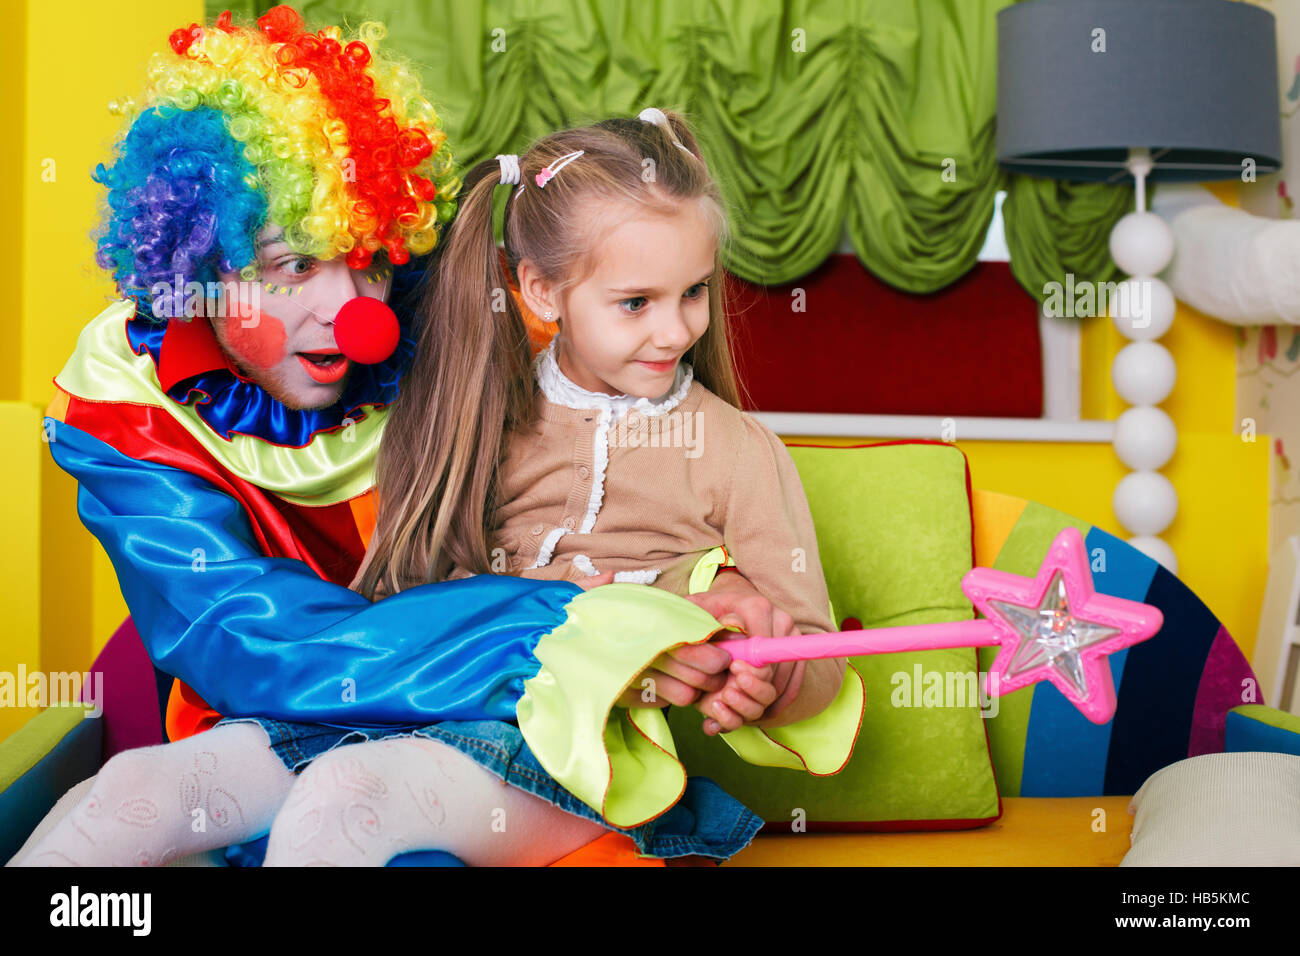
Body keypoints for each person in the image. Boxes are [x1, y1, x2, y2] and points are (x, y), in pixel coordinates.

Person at [11, 7, 811, 868]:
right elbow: (252, 639)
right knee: (126, 797)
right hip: (298, 714)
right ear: (203, 270)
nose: (355, 312)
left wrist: (718, 604)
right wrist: (578, 623)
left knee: (349, 815)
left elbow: (656, 500)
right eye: (295, 263)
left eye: (373, 257)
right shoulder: (125, 404)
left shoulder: (473, 346)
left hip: (511, 747)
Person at [243, 108, 866, 866]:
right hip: (416, 718)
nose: (675, 332)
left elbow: (815, 648)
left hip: (586, 777)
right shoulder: (473, 421)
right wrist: (537, 603)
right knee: (151, 790)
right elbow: (398, 609)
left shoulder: (738, 450)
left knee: (342, 796)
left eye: (694, 292)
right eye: (636, 303)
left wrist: (776, 679)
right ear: (542, 292)